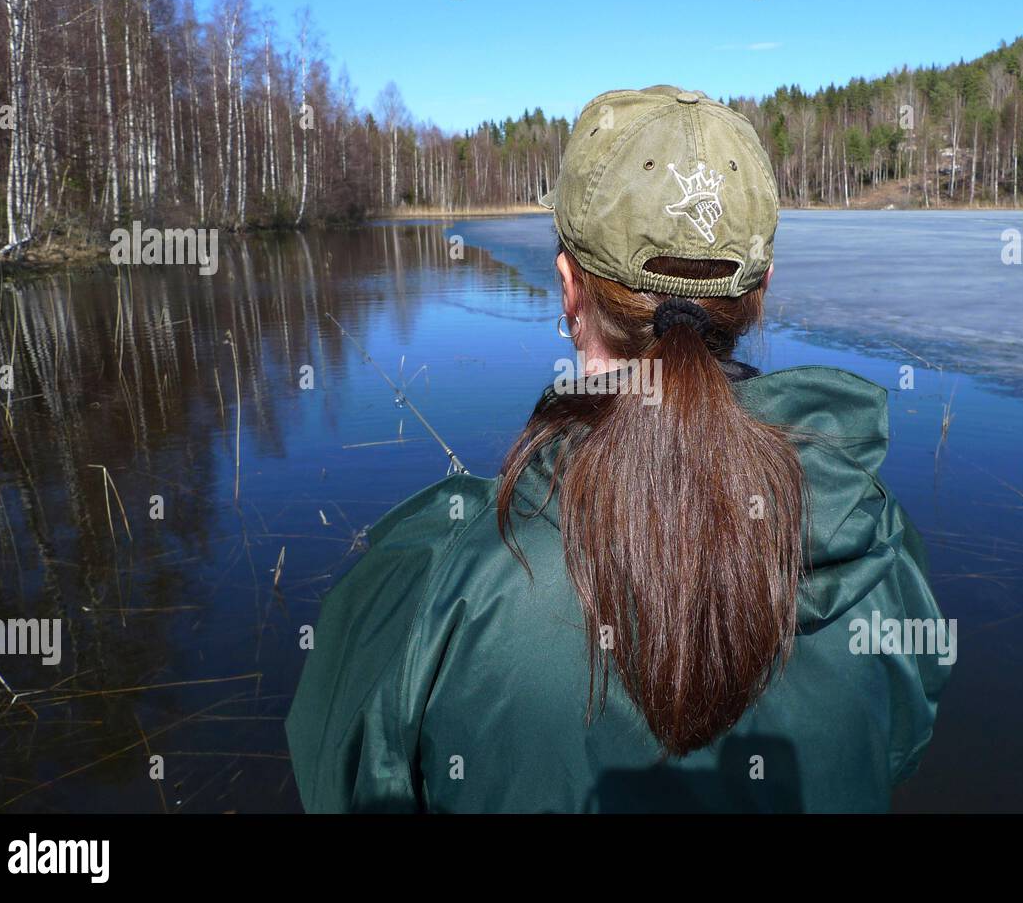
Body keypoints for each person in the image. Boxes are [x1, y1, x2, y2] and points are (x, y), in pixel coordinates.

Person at [286, 85, 952, 812]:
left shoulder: (446, 578)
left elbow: (349, 772)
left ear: (568, 287)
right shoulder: (874, 544)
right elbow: (899, 741)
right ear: (762, 289)